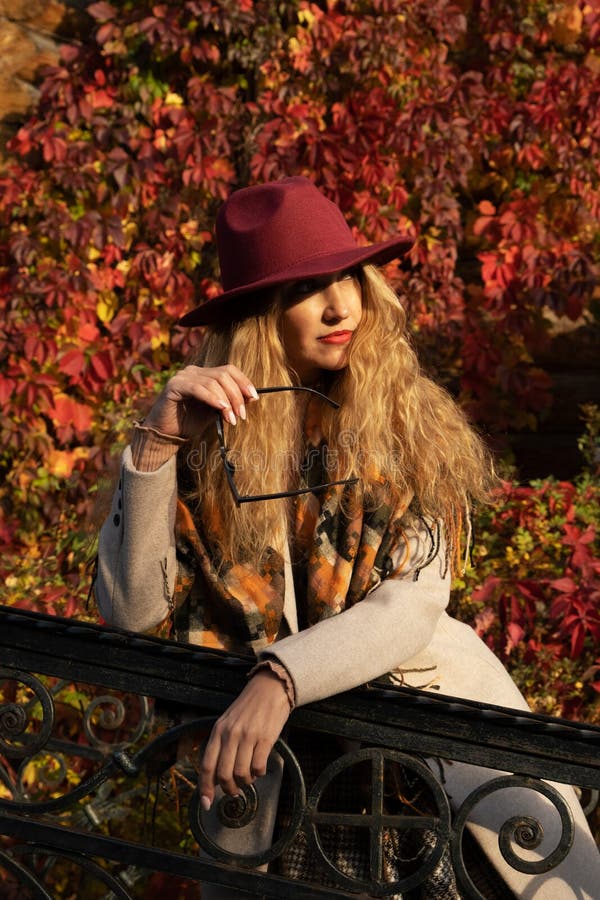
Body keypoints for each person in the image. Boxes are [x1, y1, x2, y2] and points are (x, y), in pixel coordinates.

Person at [95, 176, 599, 898]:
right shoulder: (208, 446)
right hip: (285, 799)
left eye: (347, 280)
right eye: (306, 290)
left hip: (439, 779)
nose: (340, 307)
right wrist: (156, 446)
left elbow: (412, 604)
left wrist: (280, 676)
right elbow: (132, 613)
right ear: (260, 317)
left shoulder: (406, 420)